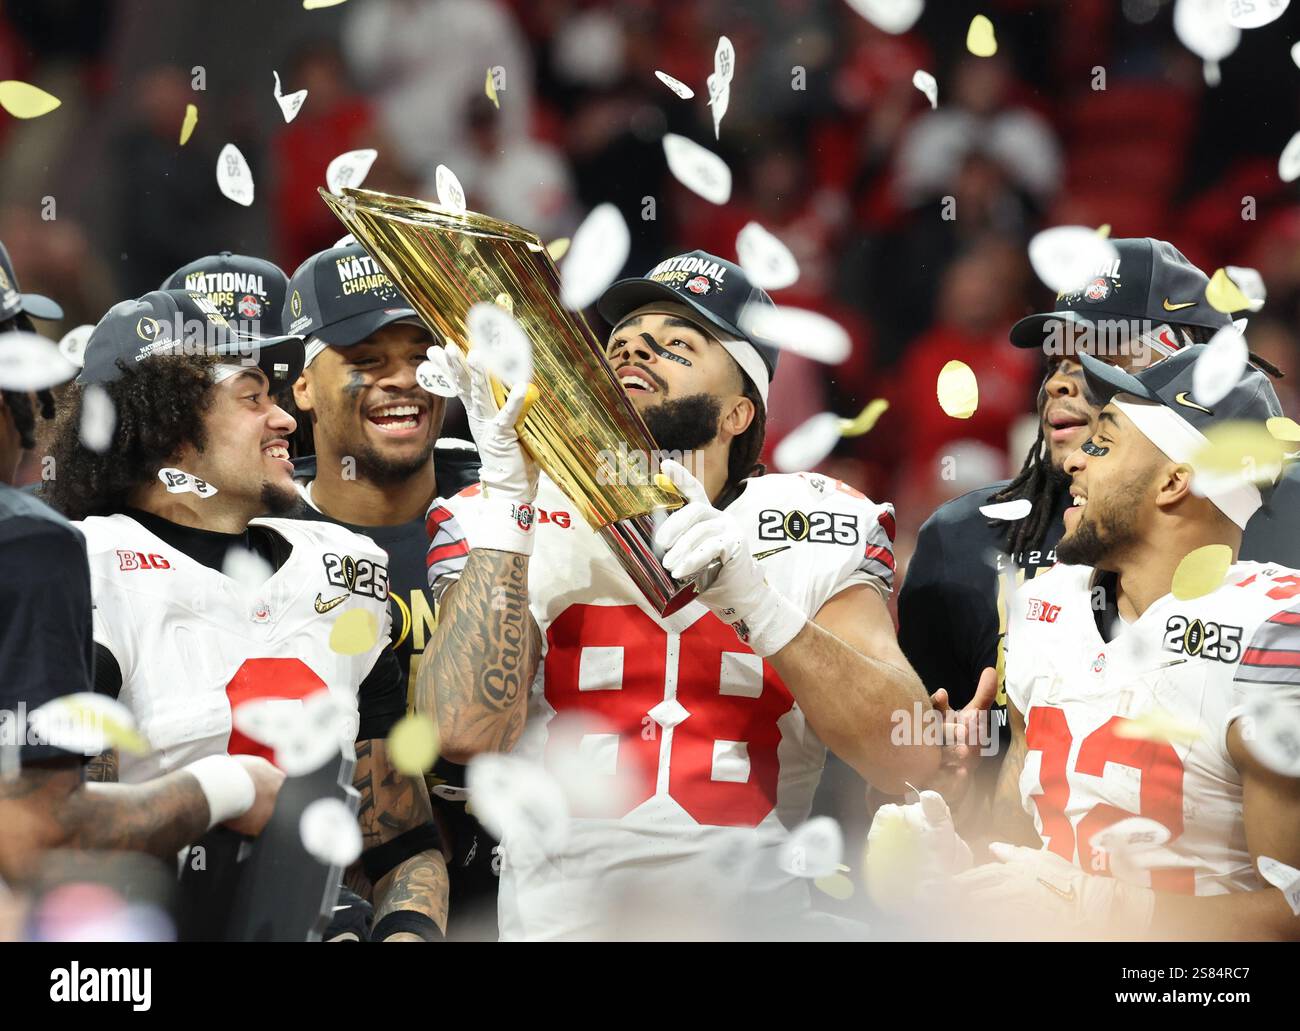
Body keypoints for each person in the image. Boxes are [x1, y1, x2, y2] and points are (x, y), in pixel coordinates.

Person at [416, 250, 951, 939]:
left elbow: (904, 750)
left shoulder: (818, 519)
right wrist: (510, 504)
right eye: (623, 343)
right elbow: (460, 730)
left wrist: (757, 602)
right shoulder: (494, 508)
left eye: (676, 344)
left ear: (737, 412)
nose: (636, 347)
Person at [43, 288, 449, 940]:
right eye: (253, 397)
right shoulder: (86, 572)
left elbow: (403, 845)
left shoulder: (344, 568)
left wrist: (407, 933)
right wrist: (227, 785)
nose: (285, 420)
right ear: (168, 424)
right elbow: (59, 831)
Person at [896, 347, 1300, 940]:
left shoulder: (1273, 633)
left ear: (1174, 480)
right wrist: (962, 826)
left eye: (1104, 444)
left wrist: (1106, 912)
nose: (1075, 463)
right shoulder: (1043, 604)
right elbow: (1027, 852)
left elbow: (1289, 914)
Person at [897, 238, 1288, 822]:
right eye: (1057, 359)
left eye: (1104, 356)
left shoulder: (1279, 526)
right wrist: (939, 785)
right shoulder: (961, 540)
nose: (1060, 381)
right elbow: (919, 769)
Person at [0, 259, 282, 885]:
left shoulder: (328, 555)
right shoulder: (43, 544)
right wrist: (227, 784)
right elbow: (34, 833)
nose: (282, 418)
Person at [281, 241, 491, 937]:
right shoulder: (262, 538)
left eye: (422, 357)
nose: (402, 380)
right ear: (303, 384)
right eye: (367, 360)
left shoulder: (511, 509)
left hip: (522, 903)